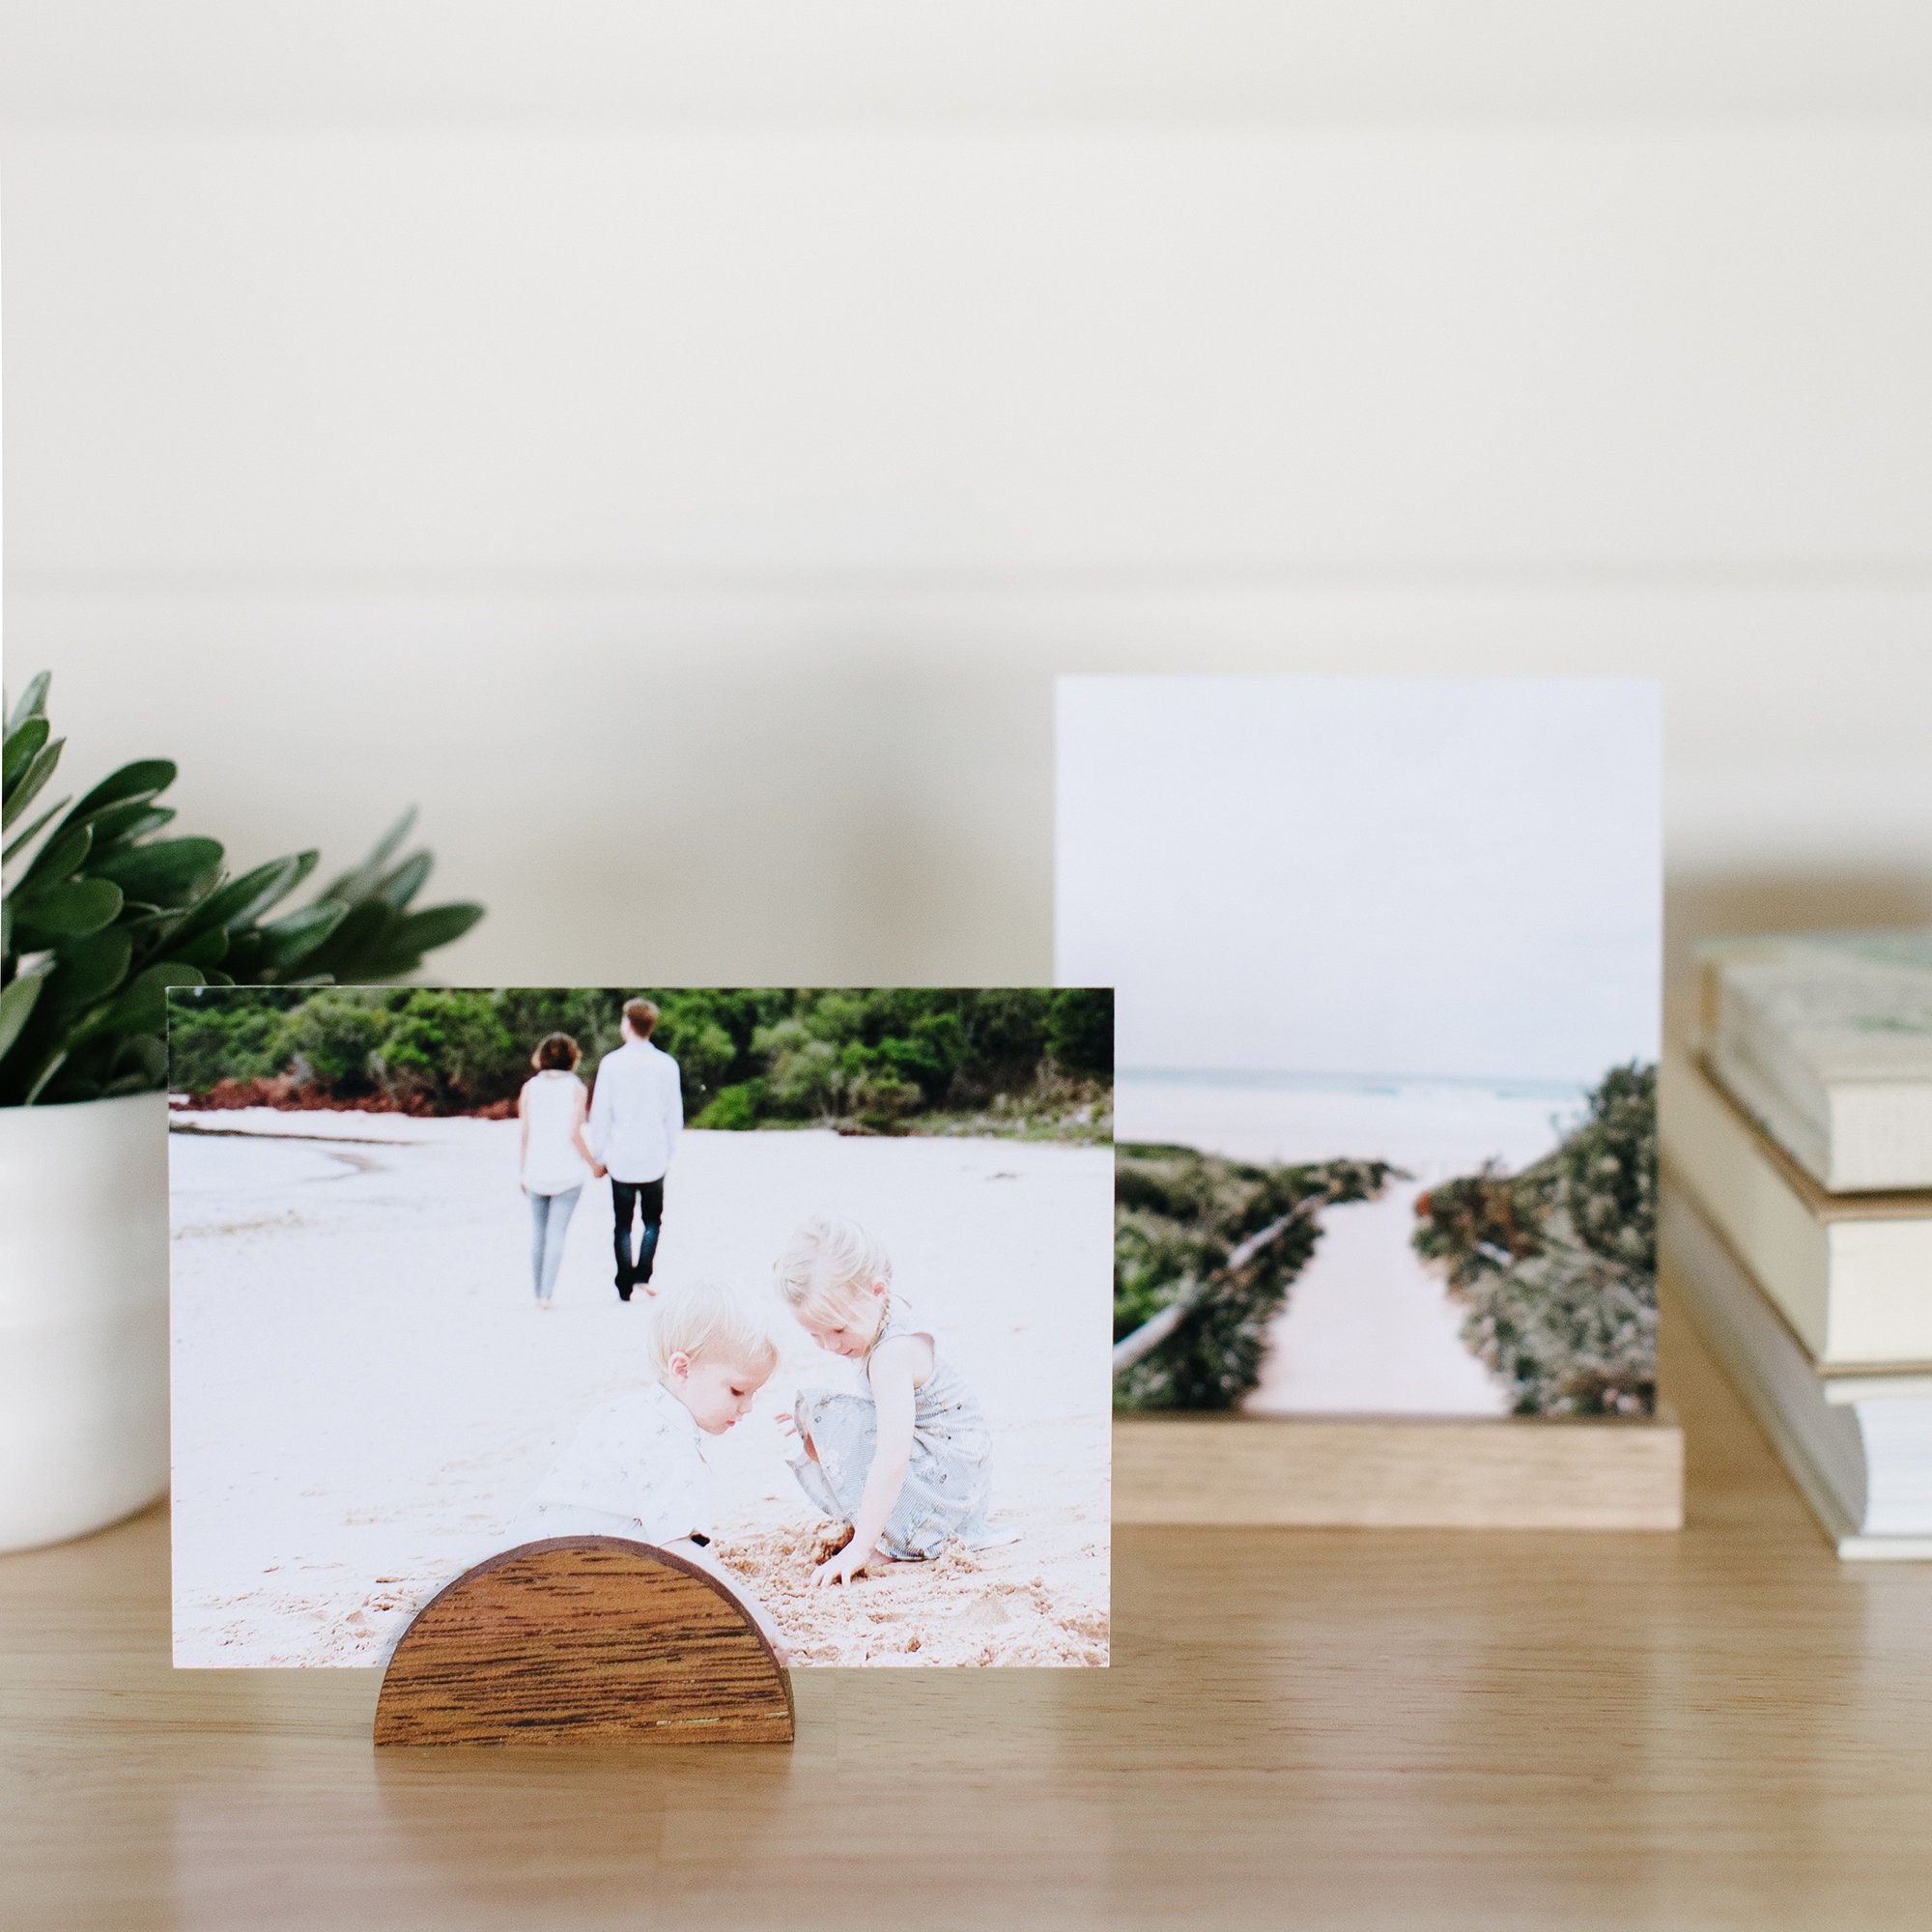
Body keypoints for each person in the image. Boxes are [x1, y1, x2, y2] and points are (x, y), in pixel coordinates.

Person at [501, 1276, 790, 1661]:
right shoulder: (669, 1443)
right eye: (737, 1390)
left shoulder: (623, 1412)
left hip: (513, 1574)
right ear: (682, 1368)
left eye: (755, 1393)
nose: (748, 1406)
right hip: (557, 1597)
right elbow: (681, 1551)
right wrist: (758, 1623)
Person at [773, 1214, 993, 1588]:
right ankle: (891, 1527)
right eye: (815, 1335)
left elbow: (893, 1455)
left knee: (824, 1416)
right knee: (822, 1417)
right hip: (962, 1478)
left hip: (945, 1486)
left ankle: (895, 1538)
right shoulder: (889, 1311)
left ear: (876, 1291)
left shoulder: (892, 1354)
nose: (830, 1345)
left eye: (838, 1329)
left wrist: (861, 1547)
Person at [588, 997, 684, 1301]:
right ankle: (643, 1273)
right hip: (654, 1155)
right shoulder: (667, 1065)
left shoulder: (612, 1063)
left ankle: (624, 1284)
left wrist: (599, 1155)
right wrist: (668, 1151)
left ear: (627, 1023)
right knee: (652, 1220)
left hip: (621, 1157)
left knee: (622, 1224)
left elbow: (601, 1114)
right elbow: (674, 1115)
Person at [517, 1033, 605, 1308]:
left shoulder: (529, 1088)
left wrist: (522, 1171)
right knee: (556, 1235)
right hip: (567, 1173)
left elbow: (525, 1133)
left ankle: (536, 1292)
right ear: (572, 1057)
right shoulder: (576, 1088)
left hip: (535, 1170)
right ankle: (546, 1295)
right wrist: (594, 1165)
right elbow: (574, 1134)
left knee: (538, 1233)